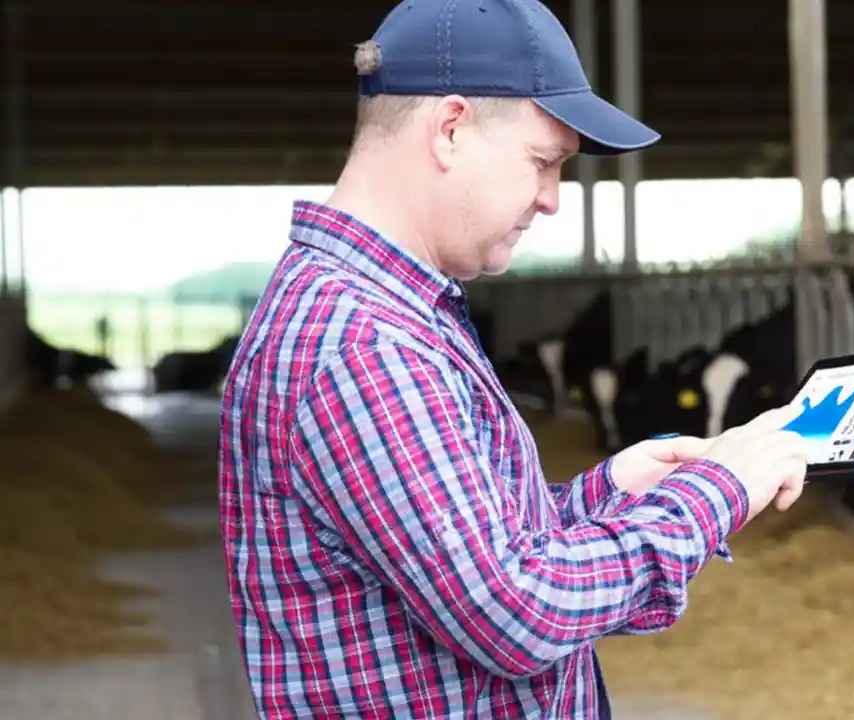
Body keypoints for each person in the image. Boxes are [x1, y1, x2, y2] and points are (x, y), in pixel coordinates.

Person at [217, 1, 810, 718]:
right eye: (543, 162)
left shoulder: (388, 312)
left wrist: (609, 492)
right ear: (451, 129)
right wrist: (716, 494)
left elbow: (460, 548)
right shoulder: (364, 345)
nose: (552, 199)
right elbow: (512, 611)